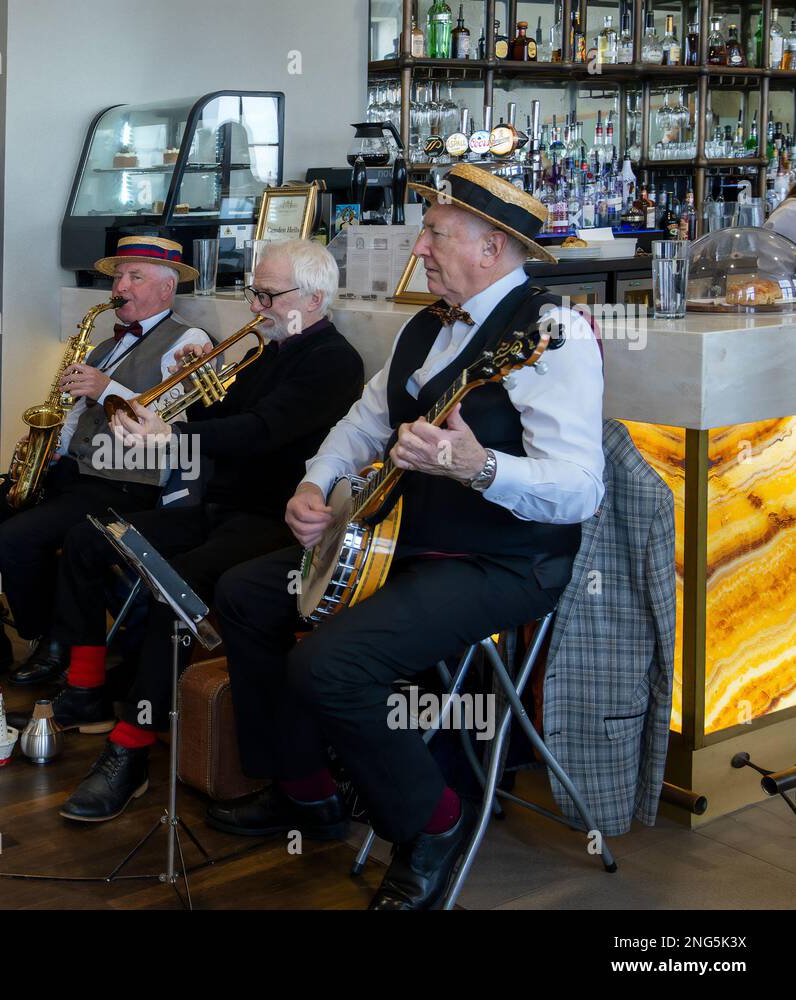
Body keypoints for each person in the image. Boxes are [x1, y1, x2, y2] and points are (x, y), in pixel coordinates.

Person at [210, 164, 606, 910]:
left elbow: (581, 490)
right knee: (245, 593)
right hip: (401, 540)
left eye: (435, 233)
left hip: (504, 559)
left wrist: (482, 466)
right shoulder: (425, 323)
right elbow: (361, 424)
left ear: (492, 248)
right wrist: (313, 484)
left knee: (330, 665)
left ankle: (434, 825)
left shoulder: (554, 334)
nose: (417, 247)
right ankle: (306, 789)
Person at [44, 239, 365, 823]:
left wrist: (175, 437)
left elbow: (260, 430)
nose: (256, 307)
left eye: (268, 295)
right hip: (216, 508)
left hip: (275, 522)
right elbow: (217, 417)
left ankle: (130, 751)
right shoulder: (266, 351)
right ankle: (86, 686)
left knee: (178, 584)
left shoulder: (332, 361)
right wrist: (160, 412)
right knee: (94, 536)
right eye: (254, 293)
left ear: (314, 298)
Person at [0, 237, 213, 682]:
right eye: (117, 276)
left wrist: (105, 387)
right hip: (75, 471)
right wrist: (48, 448)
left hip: (128, 482)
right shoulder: (103, 345)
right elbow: (74, 413)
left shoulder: (188, 341)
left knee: (14, 539)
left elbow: (174, 419)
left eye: (135, 277)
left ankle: (53, 641)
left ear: (167, 289)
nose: (120, 287)